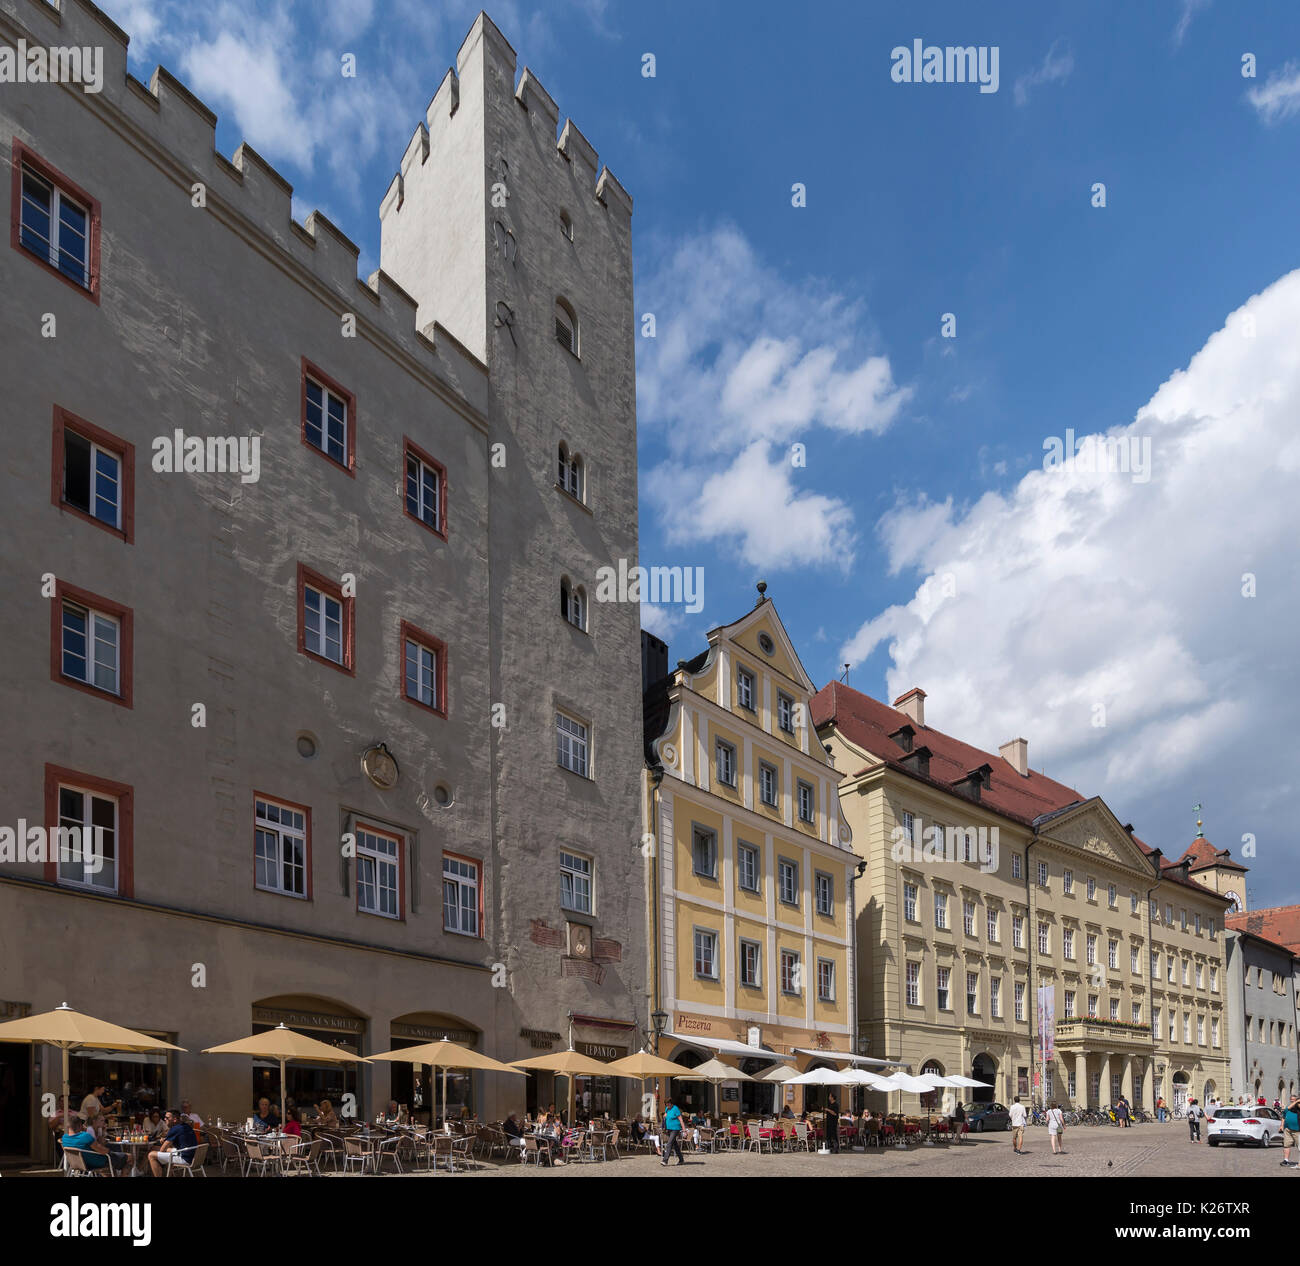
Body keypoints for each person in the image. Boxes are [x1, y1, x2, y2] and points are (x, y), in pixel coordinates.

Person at [147, 1108, 198, 1176]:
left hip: (185, 1158)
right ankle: (169, 1174)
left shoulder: (175, 1129)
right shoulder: (186, 1126)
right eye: (164, 1117)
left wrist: (164, 1143)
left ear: (174, 1120)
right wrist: (166, 1141)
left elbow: (162, 1150)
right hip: (193, 1156)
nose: (164, 1119)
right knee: (154, 1148)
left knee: (151, 1155)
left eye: (167, 1118)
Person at [661, 1098, 685, 1167]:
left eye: (668, 1104)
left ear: (671, 1103)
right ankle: (681, 1159)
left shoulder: (675, 1109)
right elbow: (665, 1116)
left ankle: (665, 1160)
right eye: (666, 1104)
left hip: (675, 1129)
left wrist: (684, 1129)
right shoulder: (667, 1109)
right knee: (675, 1145)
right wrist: (664, 1117)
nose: (667, 1106)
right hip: (669, 1129)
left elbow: (681, 1119)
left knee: (669, 1143)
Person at [1281, 1093, 1300, 1169]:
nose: (1292, 1101)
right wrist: (1282, 1125)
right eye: (1291, 1100)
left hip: (1297, 1130)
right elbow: (1286, 1111)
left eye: (1294, 1100)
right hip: (1288, 1129)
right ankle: (1286, 1160)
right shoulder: (1291, 1107)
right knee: (1286, 1144)